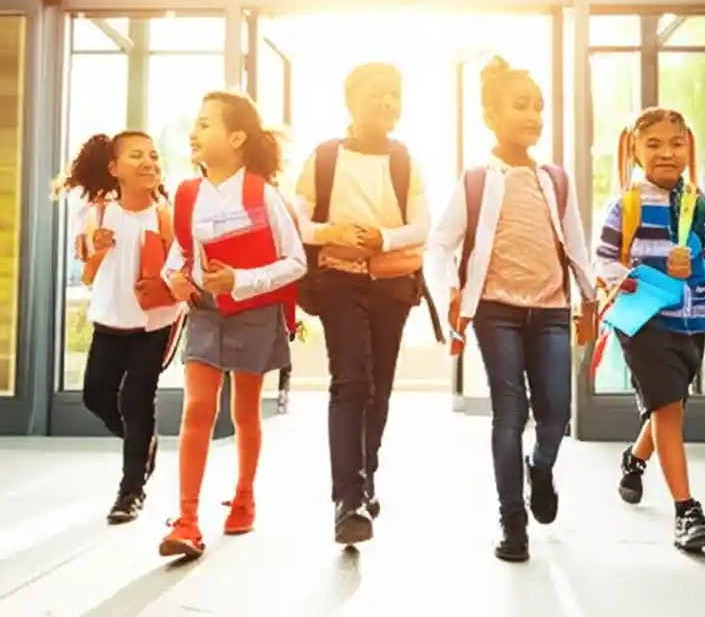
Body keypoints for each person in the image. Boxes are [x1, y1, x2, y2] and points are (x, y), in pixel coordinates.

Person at [426, 57, 598, 562]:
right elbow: (439, 244)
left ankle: (540, 468)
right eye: (521, 105)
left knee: (556, 412)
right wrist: (449, 298)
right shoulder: (478, 180)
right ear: (490, 115)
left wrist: (589, 297)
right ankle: (512, 522)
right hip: (496, 312)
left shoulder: (554, 179)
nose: (533, 115)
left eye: (539, 107)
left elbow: (576, 243)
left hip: (549, 309)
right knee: (509, 412)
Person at [292, 62, 437, 547]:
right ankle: (347, 499)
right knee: (350, 382)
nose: (389, 104)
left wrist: (384, 237)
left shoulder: (404, 160)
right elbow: (296, 218)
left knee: (379, 387)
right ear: (350, 101)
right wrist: (327, 232)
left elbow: (422, 225)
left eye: (395, 95)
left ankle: (365, 475)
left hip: (392, 287)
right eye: (378, 94)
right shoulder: (325, 158)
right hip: (339, 283)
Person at [157, 91, 306, 560]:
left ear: (237, 137)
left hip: (255, 314)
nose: (194, 133)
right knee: (197, 408)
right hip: (204, 311)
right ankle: (187, 520)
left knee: (245, 412)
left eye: (205, 124)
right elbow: (177, 257)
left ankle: (244, 496)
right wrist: (175, 280)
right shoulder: (186, 195)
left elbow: (296, 262)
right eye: (195, 125)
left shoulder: (263, 193)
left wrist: (241, 280)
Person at [594, 106, 705, 552]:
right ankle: (687, 511)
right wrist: (646, 270)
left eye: (676, 143)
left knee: (671, 406)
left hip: (692, 321)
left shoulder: (700, 203)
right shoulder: (625, 204)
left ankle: (635, 459)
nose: (667, 153)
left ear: (688, 148)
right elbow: (604, 260)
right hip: (645, 323)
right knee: (668, 408)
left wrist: (698, 267)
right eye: (654, 144)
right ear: (635, 151)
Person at [52, 130, 180, 525]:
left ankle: (130, 491)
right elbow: (88, 275)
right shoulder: (96, 213)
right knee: (95, 396)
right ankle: (142, 445)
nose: (149, 163)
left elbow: (179, 271)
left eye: (154, 156)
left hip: (153, 323)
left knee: (137, 402)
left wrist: (166, 283)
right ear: (114, 169)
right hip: (110, 320)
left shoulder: (165, 215)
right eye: (137, 156)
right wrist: (97, 249)